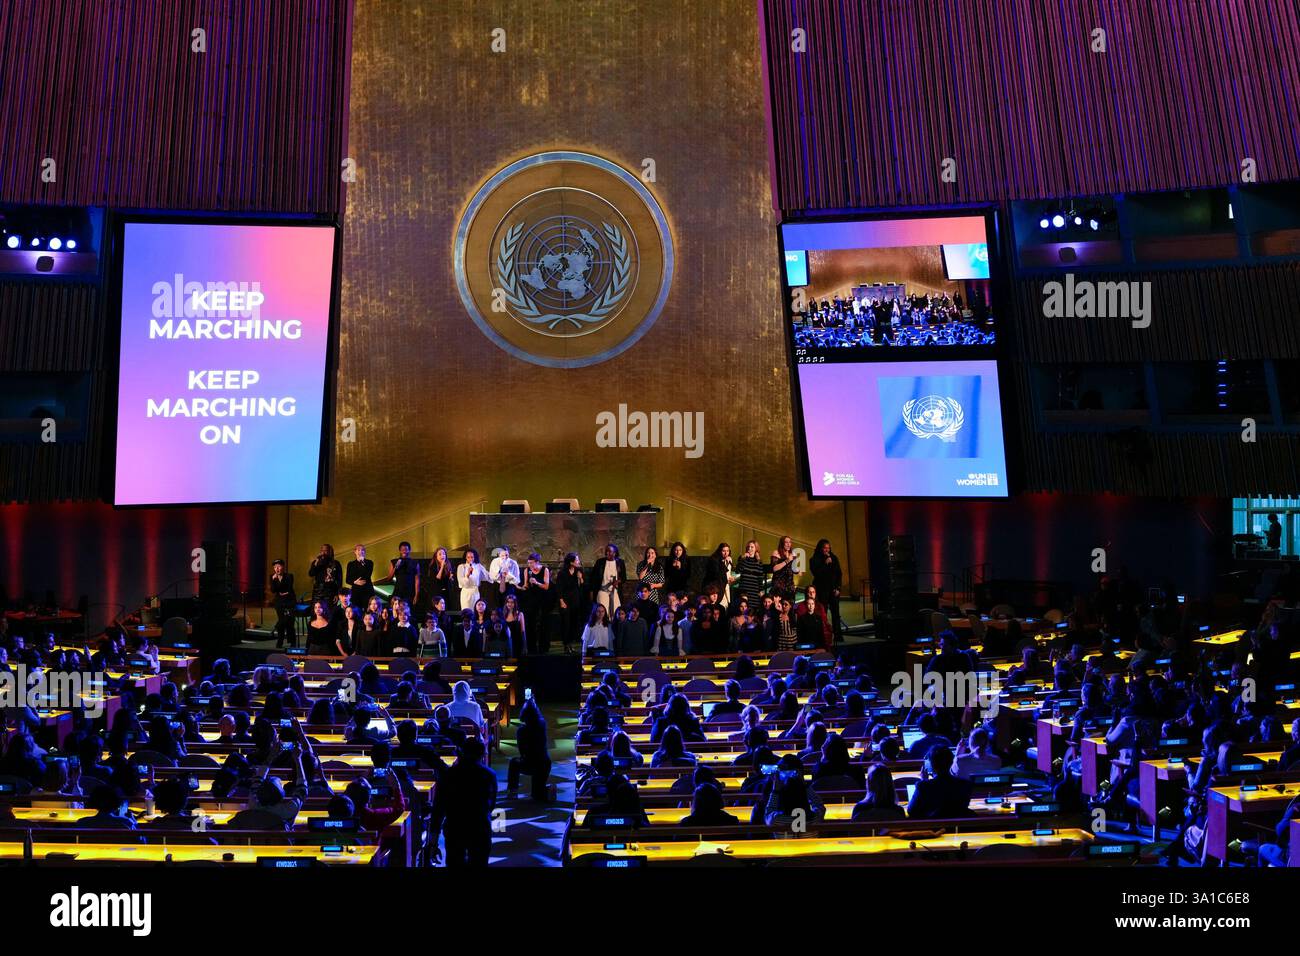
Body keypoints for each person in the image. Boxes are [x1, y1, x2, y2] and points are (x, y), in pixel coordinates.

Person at [430, 736, 498, 866]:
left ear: (462, 752)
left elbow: (439, 807)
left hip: (454, 827)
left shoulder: (448, 774)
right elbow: (491, 804)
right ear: (482, 754)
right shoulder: (489, 775)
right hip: (480, 827)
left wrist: (434, 836)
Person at [906, 745, 972, 819]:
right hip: (958, 828)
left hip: (934, 828)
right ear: (951, 762)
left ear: (931, 765)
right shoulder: (964, 785)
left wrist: (924, 782)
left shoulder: (923, 786)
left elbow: (911, 811)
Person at [507, 698, 551, 802]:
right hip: (545, 763)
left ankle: (513, 792)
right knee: (537, 795)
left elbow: (522, 751)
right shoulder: (542, 724)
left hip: (530, 763)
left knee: (513, 762)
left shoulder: (521, 731)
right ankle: (542, 791)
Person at [810, 539, 843, 642]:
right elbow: (817, 574)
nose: (827, 550)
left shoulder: (834, 558)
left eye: (828, 548)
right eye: (825, 548)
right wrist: (825, 564)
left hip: (833, 590)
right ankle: (823, 635)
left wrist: (838, 588)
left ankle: (838, 636)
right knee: (822, 613)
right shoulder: (814, 559)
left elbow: (839, 574)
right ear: (820, 548)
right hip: (821, 590)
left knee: (836, 613)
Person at [519, 553, 551, 654]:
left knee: (542, 623)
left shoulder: (544, 570)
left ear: (537, 562)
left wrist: (537, 583)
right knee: (530, 624)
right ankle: (531, 647)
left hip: (542, 599)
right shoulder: (526, 571)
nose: (530, 565)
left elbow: (546, 586)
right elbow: (526, 585)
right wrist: (520, 587)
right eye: (528, 563)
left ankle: (543, 647)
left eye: (531, 563)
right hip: (531, 599)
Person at [556, 552, 586, 655]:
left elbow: (582, 585)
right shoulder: (562, 573)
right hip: (565, 601)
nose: (578, 562)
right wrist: (561, 601)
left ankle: (571, 645)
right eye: (577, 560)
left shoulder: (579, 571)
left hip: (575, 600)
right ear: (571, 562)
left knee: (574, 624)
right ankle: (566, 645)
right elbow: (559, 588)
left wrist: (580, 578)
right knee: (566, 623)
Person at [591, 543, 626, 619]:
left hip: (615, 590)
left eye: (610, 551)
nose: (607, 553)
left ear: (615, 553)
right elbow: (593, 577)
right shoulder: (600, 562)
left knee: (616, 610)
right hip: (602, 590)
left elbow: (623, 578)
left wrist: (618, 581)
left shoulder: (620, 562)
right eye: (606, 551)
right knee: (603, 611)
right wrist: (592, 591)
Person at [380, 541, 420, 608]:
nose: (404, 551)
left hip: (410, 590)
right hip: (398, 589)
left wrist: (416, 594)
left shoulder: (415, 563)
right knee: (396, 608)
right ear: (400, 551)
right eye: (402, 550)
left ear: (409, 550)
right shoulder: (394, 561)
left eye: (406, 549)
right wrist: (395, 567)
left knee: (408, 609)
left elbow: (417, 580)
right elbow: (389, 578)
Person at [269, 559, 297, 648]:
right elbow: (273, 590)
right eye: (275, 567)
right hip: (279, 602)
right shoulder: (272, 577)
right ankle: (280, 641)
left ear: (283, 567)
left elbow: (288, 588)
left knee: (290, 621)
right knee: (282, 619)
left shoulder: (289, 576)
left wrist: (281, 589)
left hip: (290, 601)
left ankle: (292, 641)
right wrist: (274, 581)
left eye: (279, 566)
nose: (277, 569)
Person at [795, 585, 831, 650]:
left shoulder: (820, 606)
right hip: (806, 633)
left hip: (818, 632)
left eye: (813, 592)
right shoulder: (801, 606)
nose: (811, 594)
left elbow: (824, 621)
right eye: (809, 592)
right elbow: (801, 625)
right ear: (806, 593)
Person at [457, 549, 491, 615]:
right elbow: (461, 583)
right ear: (465, 558)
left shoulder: (478, 566)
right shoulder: (461, 567)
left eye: (472, 557)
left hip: (475, 592)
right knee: (467, 612)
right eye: (468, 557)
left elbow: (487, 576)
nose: (470, 559)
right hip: (466, 592)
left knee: (476, 611)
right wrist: (467, 575)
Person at [702, 543, 736, 608]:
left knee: (725, 607)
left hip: (724, 587)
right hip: (715, 588)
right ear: (720, 551)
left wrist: (730, 578)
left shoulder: (727, 561)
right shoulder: (714, 560)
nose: (726, 553)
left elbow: (728, 574)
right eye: (724, 551)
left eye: (727, 551)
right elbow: (717, 574)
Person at [345, 544, 375, 614]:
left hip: (367, 590)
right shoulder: (351, 564)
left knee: (368, 611)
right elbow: (347, 579)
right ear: (355, 552)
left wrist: (362, 563)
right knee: (356, 611)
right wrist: (355, 582)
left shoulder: (369, 563)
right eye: (358, 550)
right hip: (356, 591)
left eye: (362, 550)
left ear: (365, 552)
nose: (360, 551)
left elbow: (368, 575)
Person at [736, 539, 765, 607]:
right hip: (744, 591)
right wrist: (743, 559)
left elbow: (760, 579)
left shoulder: (759, 562)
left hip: (754, 592)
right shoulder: (743, 559)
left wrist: (761, 591)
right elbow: (738, 571)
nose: (750, 548)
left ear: (756, 549)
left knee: (752, 613)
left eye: (752, 547)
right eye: (748, 547)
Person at [769, 536, 796, 603]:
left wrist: (797, 570)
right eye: (786, 542)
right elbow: (774, 568)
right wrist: (787, 560)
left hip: (789, 587)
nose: (788, 544)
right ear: (782, 543)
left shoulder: (792, 554)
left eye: (790, 542)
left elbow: (793, 569)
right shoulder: (776, 553)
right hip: (779, 586)